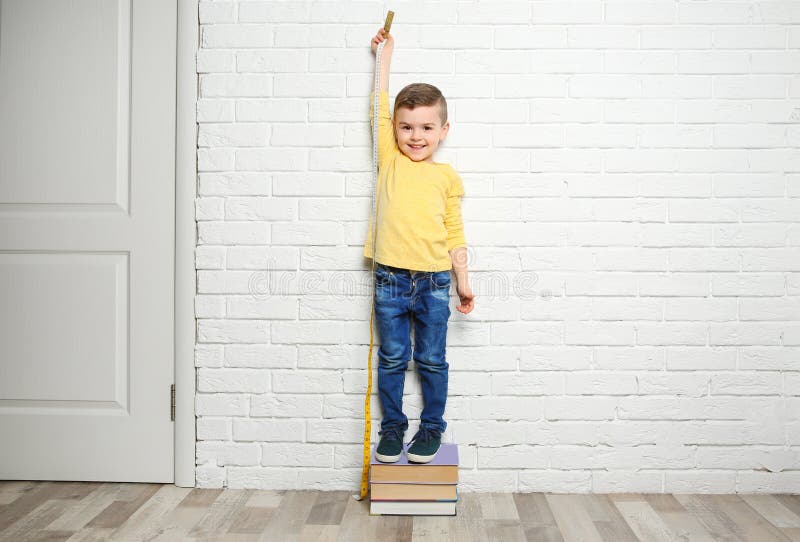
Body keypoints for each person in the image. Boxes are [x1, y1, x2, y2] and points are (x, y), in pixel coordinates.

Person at [365, 27, 475, 464]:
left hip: (433, 281)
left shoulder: (445, 176)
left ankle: (431, 428)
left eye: (427, 127)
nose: (416, 136)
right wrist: (383, 57)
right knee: (393, 358)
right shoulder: (389, 159)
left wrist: (463, 283)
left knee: (431, 360)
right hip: (390, 278)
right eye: (406, 127)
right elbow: (377, 106)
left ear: (443, 129)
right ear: (394, 129)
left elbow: (455, 231)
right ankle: (393, 429)